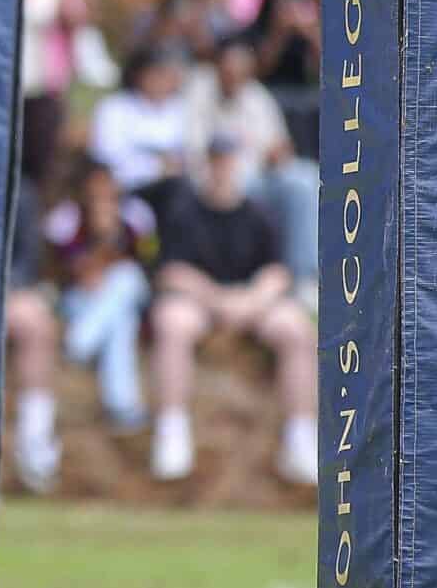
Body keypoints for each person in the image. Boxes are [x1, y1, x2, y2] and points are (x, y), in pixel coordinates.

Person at [145, 136, 318, 485]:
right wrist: (214, 298)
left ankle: (301, 437)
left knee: (297, 329)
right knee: (171, 321)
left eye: (228, 159)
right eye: (216, 159)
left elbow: (278, 271)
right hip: (201, 302)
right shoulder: (184, 211)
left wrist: (252, 300)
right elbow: (170, 270)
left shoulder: (259, 213)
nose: (222, 167)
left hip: (250, 303)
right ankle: (172, 432)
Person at [5, 161, 154, 492]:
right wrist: (100, 251)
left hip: (114, 299)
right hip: (79, 302)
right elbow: (71, 272)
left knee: (128, 285)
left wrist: (111, 238)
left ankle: (84, 347)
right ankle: (123, 405)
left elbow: (146, 259)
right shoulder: (66, 219)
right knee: (121, 313)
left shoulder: (135, 217)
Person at [185, 38, 318, 291]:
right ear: (217, 66)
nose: (234, 76)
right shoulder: (198, 88)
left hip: (256, 177)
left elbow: (281, 147)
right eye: (229, 69)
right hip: (211, 177)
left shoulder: (256, 95)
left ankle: (302, 280)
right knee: (238, 180)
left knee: (304, 178)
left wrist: (277, 154)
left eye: (241, 71)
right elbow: (193, 151)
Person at [89, 46, 194, 207]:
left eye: (166, 75)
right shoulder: (114, 107)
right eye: (156, 74)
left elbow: (184, 157)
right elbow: (106, 156)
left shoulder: (178, 110)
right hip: (124, 189)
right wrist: (156, 166)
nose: (161, 81)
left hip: (169, 191)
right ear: (140, 75)